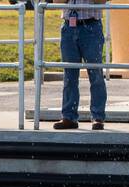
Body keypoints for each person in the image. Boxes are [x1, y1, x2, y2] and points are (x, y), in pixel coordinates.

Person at [54, 0, 106, 130]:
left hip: (91, 26)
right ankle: (69, 117)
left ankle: (97, 117)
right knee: (69, 75)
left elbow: (101, 1)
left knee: (96, 74)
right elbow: (57, 1)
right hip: (68, 27)